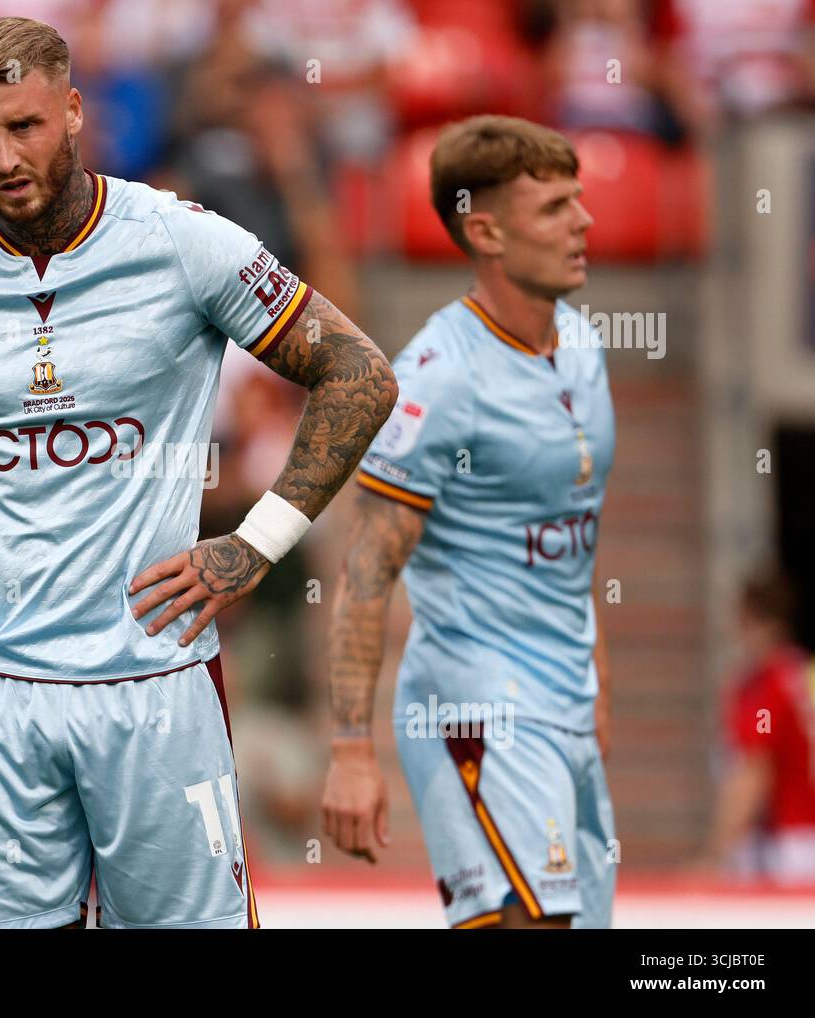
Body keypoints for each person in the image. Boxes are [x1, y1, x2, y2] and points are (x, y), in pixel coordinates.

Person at [0, 16, 396, 929]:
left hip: (153, 680)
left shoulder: (184, 242)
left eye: (24, 126)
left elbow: (360, 374)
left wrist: (256, 546)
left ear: (71, 112)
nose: (5, 158)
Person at [320, 115, 617, 929]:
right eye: (556, 208)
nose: (585, 221)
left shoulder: (585, 344)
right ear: (484, 230)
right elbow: (366, 569)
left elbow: (570, 530)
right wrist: (351, 749)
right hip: (478, 701)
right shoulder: (437, 379)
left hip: (565, 696)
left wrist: (595, 666)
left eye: (579, 200)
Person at [699, 570, 815, 884]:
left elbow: (754, 771)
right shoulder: (803, 673)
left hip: (784, 851)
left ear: (749, 619)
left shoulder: (764, 686)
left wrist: (713, 857)